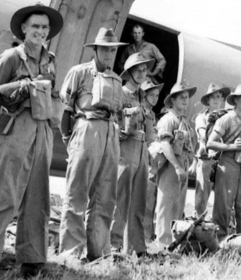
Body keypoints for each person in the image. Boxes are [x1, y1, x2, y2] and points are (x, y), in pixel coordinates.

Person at [0, 3, 63, 278]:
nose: (40, 31)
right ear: (24, 29)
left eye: (45, 27)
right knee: (5, 195)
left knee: (38, 198)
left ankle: (32, 261)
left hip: (42, 131)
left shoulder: (51, 60)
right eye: (35, 26)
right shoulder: (11, 57)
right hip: (15, 130)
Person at [58, 27, 127, 263]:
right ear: (95, 50)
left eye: (113, 51)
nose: (109, 55)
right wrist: (70, 140)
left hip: (110, 132)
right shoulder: (79, 73)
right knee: (77, 192)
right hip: (86, 127)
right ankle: (71, 252)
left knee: (105, 194)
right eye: (105, 50)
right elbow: (65, 110)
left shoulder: (116, 79)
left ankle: (99, 252)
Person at [110, 52, 153, 257]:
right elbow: (110, 119)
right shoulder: (120, 92)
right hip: (124, 149)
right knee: (119, 198)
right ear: (128, 72)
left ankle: (136, 247)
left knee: (138, 200)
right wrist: (120, 130)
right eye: (138, 69)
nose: (142, 73)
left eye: (144, 70)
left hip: (141, 149)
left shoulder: (141, 97)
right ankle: (112, 245)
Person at [207, 83, 241, 241]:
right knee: (223, 205)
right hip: (228, 163)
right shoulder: (226, 119)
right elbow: (210, 143)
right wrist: (231, 146)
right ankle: (220, 242)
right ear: (235, 100)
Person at [154, 81, 197, 248]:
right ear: (172, 100)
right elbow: (165, 145)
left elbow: (190, 145)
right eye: (181, 97)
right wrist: (178, 167)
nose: (185, 100)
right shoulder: (168, 120)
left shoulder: (184, 121)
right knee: (166, 205)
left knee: (178, 204)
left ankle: (174, 243)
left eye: (186, 97)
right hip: (170, 167)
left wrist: (191, 162)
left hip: (183, 166)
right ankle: (163, 244)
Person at [194, 83, 230, 217]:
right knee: (202, 195)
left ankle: (219, 227)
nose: (216, 99)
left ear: (222, 99)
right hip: (207, 159)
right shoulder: (201, 117)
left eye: (218, 97)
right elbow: (202, 133)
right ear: (207, 101)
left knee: (223, 196)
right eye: (212, 97)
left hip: (223, 160)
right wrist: (204, 144)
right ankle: (199, 223)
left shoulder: (227, 117)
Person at [140, 79, 163, 242]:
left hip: (151, 162)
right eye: (152, 95)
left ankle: (146, 236)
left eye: (157, 95)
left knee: (150, 201)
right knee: (143, 202)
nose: (155, 98)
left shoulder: (152, 114)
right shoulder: (140, 111)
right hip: (142, 159)